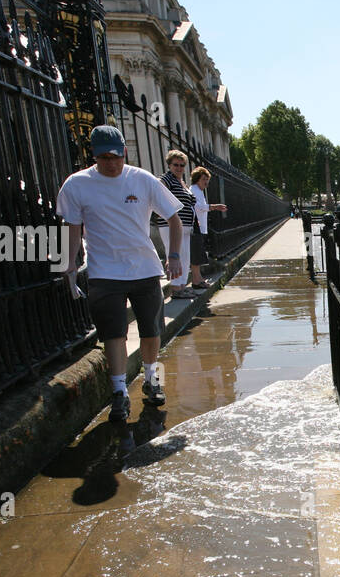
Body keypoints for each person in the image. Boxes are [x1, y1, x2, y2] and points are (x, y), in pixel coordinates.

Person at [57, 125, 184, 423]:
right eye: (104, 158)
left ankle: (151, 378)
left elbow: (174, 219)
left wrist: (174, 255)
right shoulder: (77, 185)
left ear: (124, 152)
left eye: (116, 156)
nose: (111, 163)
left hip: (145, 269)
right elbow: (72, 228)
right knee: (114, 334)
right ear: (93, 157)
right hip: (105, 272)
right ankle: (118, 392)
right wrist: (70, 264)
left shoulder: (142, 179)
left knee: (151, 330)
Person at [153, 149, 199, 299]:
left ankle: (182, 286)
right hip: (170, 225)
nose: (179, 168)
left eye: (181, 165)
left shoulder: (182, 182)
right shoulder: (166, 179)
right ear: (169, 165)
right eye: (175, 165)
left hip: (186, 226)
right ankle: (175, 288)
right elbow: (157, 192)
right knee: (175, 254)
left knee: (185, 257)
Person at [188, 167, 227, 291]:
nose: (206, 182)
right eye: (204, 179)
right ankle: (196, 280)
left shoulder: (198, 191)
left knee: (199, 254)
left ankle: (198, 278)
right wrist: (214, 207)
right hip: (196, 227)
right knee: (196, 255)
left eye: (207, 180)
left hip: (201, 227)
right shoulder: (193, 190)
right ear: (197, 179)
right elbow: (198, 207)